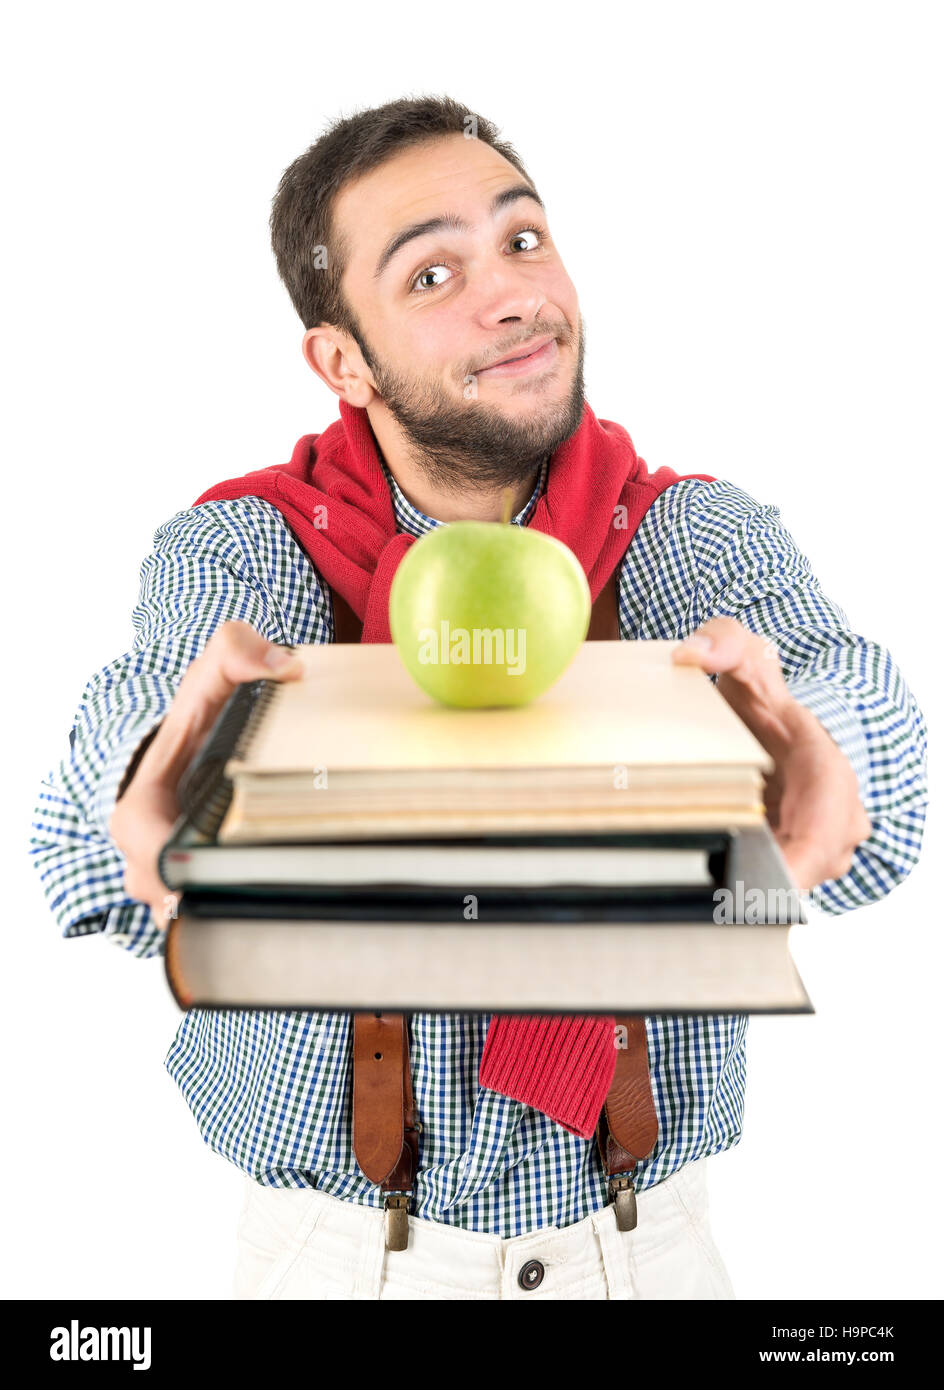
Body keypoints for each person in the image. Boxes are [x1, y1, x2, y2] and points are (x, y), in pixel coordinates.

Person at [29, 95, 927, 1301]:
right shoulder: (248, 554)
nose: (511, 294)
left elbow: (843, 687)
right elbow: (120, 760)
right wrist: (161, 777)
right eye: (432, 272)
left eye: (521, 240)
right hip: (335, 1257)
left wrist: (818, 750)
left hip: (645, 1247)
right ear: (340, 359)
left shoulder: (687, 538)